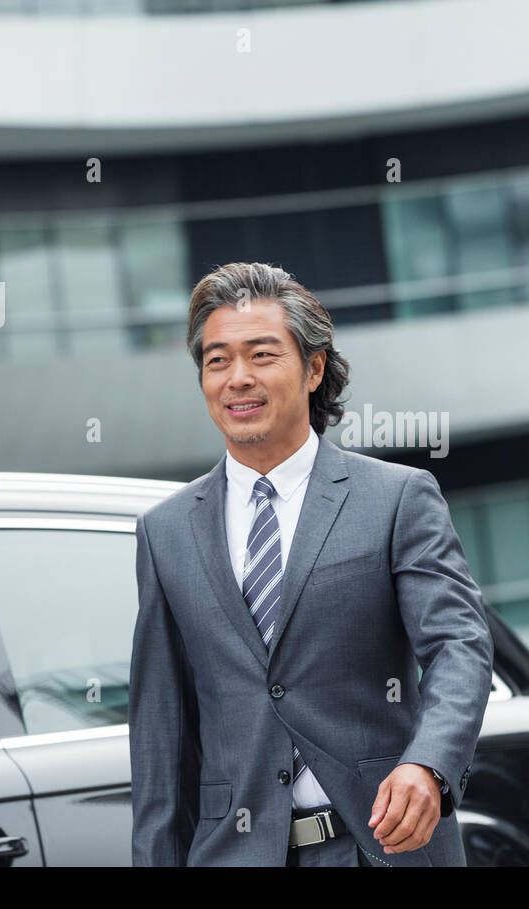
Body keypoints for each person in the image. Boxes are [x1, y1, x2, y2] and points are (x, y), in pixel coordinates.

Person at [129, 262, 493, 867]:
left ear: (314, 368)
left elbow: (459, 644)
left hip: (377, 848)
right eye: (217, 361)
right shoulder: (165, 532)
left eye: (262, 355)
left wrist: (428, 764)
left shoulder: (396, 498)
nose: (237, 378)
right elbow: (161, 734)